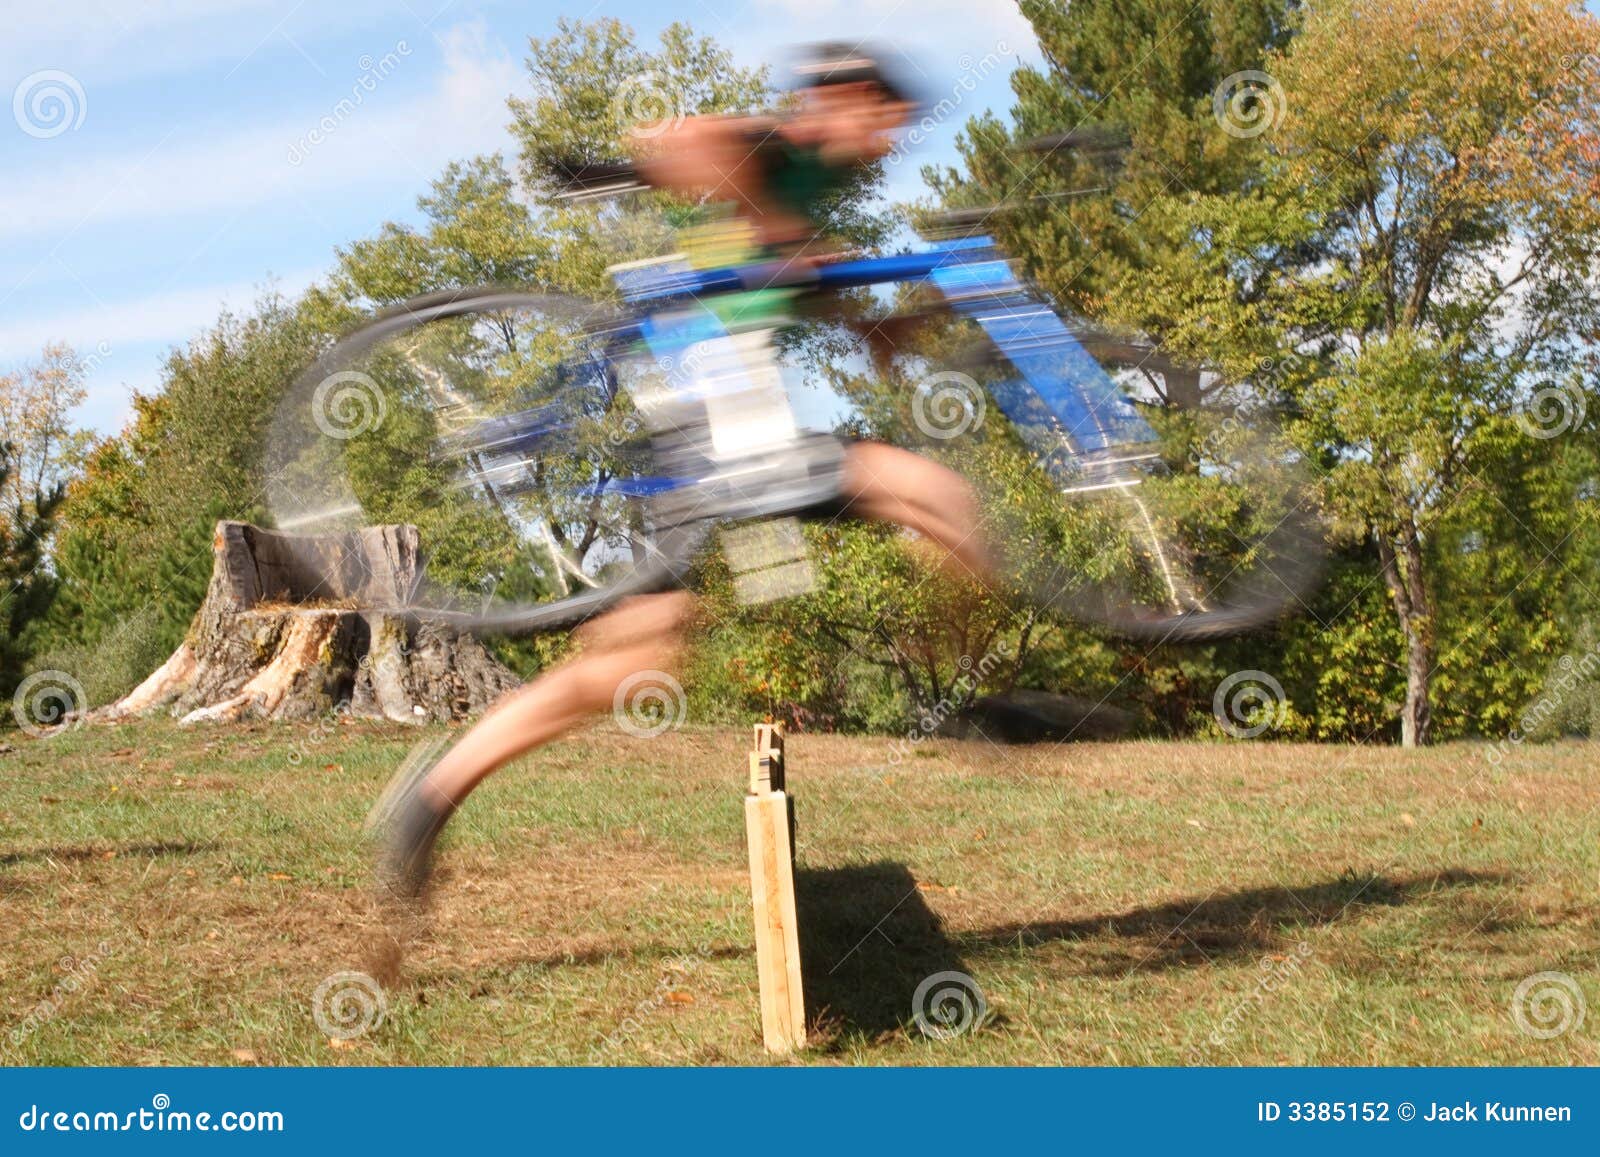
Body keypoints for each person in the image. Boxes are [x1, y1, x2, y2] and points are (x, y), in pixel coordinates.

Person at [371, 43, 993, 915]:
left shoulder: (809, 192)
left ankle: (431, 795)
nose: (891, 141)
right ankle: (981, 704)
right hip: (725, 424)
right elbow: (687, 141)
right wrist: (688, 189)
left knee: (634, 660)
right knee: (940, 499)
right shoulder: (781, 145)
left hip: (699, 439)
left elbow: (797, 275)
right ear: (849, 98)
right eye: (887, 120)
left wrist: (868, 327)